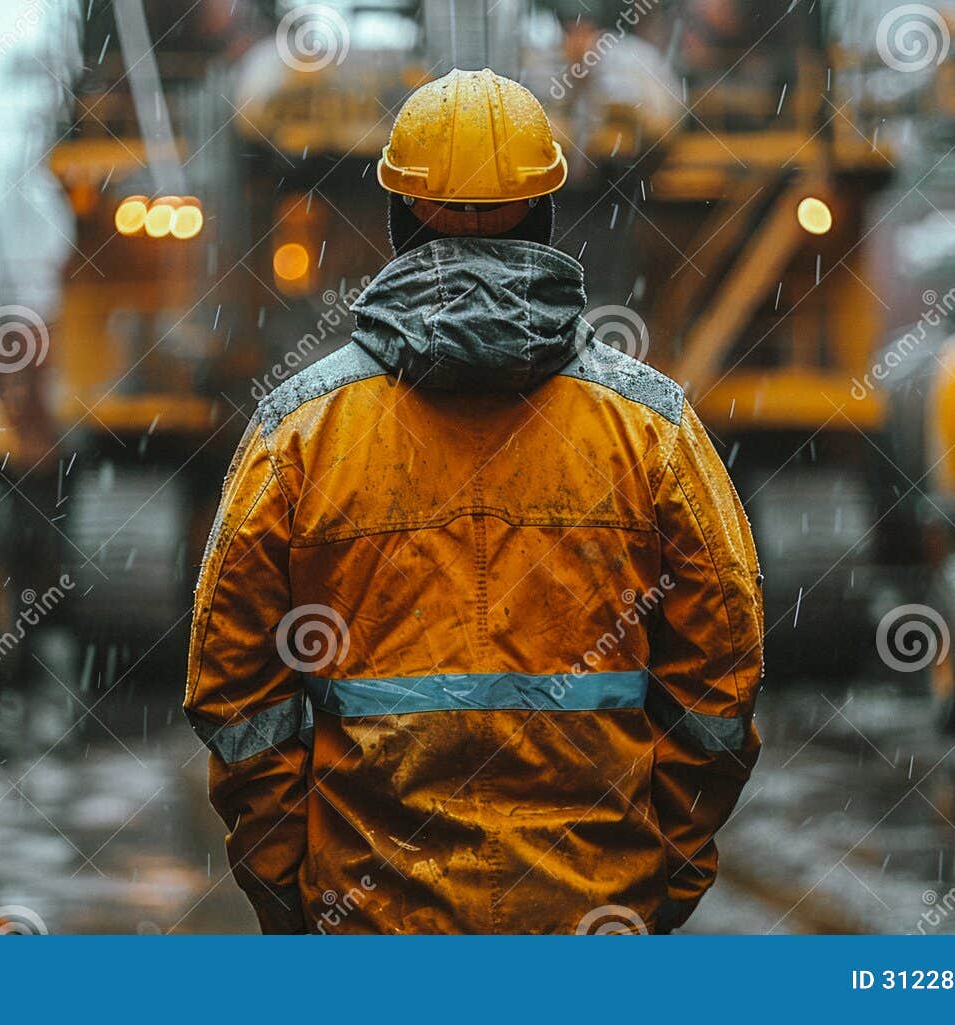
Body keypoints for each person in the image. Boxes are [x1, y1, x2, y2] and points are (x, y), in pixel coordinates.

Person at [185, 68, 762, 934]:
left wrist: (293, 891)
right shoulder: (655, 431)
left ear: (395, 218)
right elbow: (721, 686)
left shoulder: (296, 435)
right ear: (546, 213)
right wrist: (658, 884)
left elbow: (236, 697)